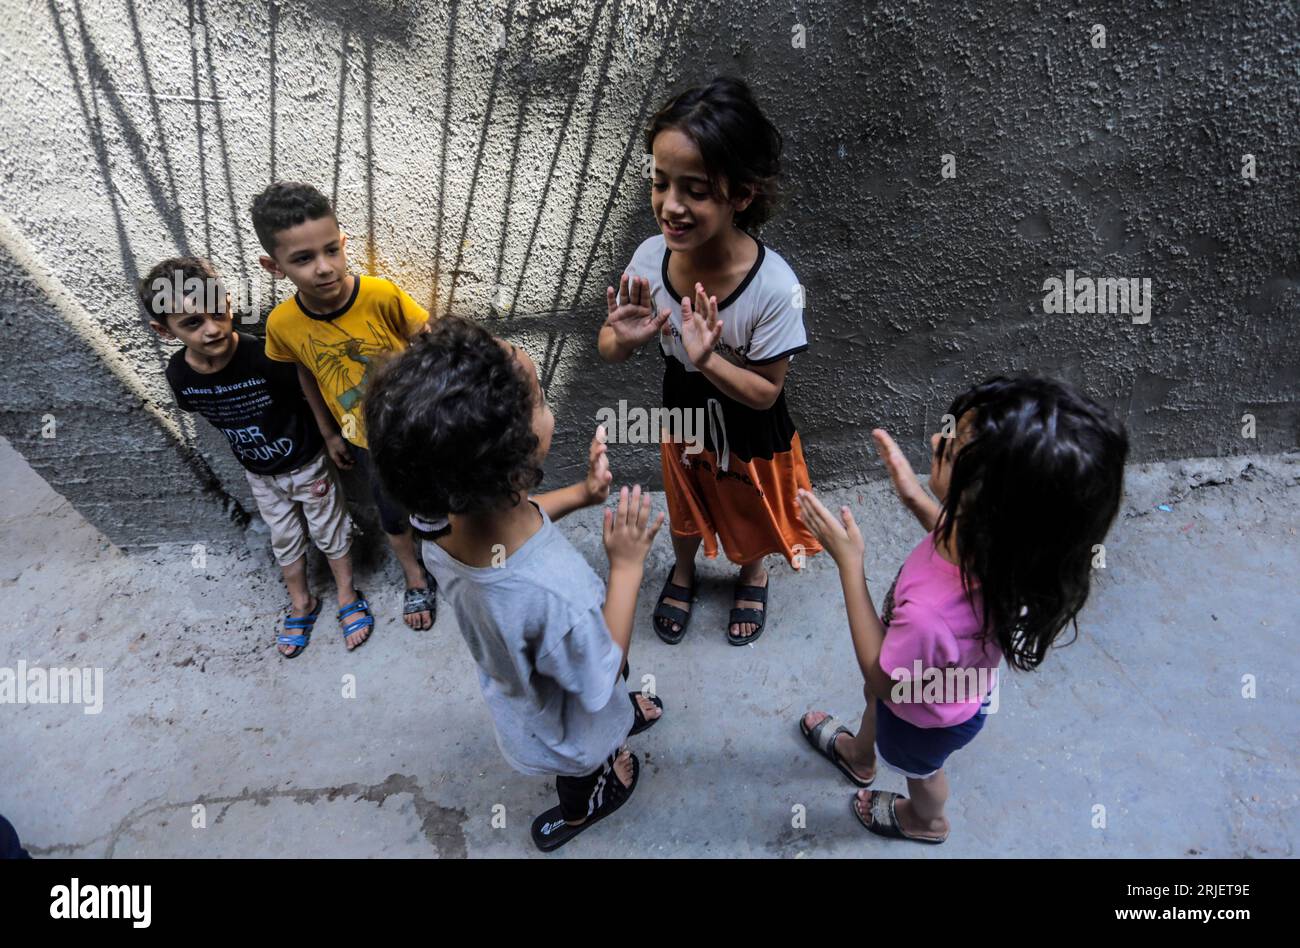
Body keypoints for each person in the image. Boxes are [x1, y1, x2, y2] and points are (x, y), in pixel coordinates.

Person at [364, 316, 666, 851]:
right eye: (543, 398)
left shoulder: (437, 521)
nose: (549, 407)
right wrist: (627, 567)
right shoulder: (555, 591)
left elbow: (515, 516)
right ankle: (583, 809)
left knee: (603, 699)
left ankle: (620, 722)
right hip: (570, 731)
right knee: (588, 753)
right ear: (518, 461)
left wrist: (580, 495)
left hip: (523, 698)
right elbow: (602, 672)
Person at [796, 377, 1128, 843]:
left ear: (984, 505)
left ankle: (925, 820)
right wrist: (916, 497)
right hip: (940, 678)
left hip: (921, 713)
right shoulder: (1011, 554)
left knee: (922, 771)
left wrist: (849, 564)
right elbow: (959, 547)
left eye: (947, 450)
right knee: (877, 708)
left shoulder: (930, 616)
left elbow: (881, 678)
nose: (934, 441)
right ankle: (860, 756)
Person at [598, 76, 819, 646]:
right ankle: (685, 567)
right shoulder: (652, 259)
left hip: (751, 420)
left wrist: (710, 359)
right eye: (660, 182)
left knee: (753, 501)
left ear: (741, 195)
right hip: (685, 405)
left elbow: (767, 392)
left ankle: (752, 568)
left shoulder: (774, 287)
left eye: (694, 190)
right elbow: (609, 348)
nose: (670, 206)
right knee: (686, 495)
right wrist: (623, 338)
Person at [143, 256, 356, 658]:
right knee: (285, 539)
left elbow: (307, 390)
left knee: (330, 529)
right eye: (191, 323)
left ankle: (346, 594)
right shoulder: (180, 376)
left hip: (306, 462)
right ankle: (302, 603)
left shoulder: (263, 356)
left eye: (217, 312)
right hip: (259, 473)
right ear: (163, 330)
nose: (212, 329)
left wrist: (329, 436)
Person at [252, 181, 437, 644]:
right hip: (367, 441)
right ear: (274, 267)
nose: (323, 268)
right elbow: (306, 376)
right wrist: (329, 433)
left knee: (445, 500)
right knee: (392, 515)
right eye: (302, 259)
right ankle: (415, 577)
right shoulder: (282, 325)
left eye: (331, 250)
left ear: (343, 243)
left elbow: (430, 342)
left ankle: (469, 560)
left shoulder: (380, 294)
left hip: (423, 429)